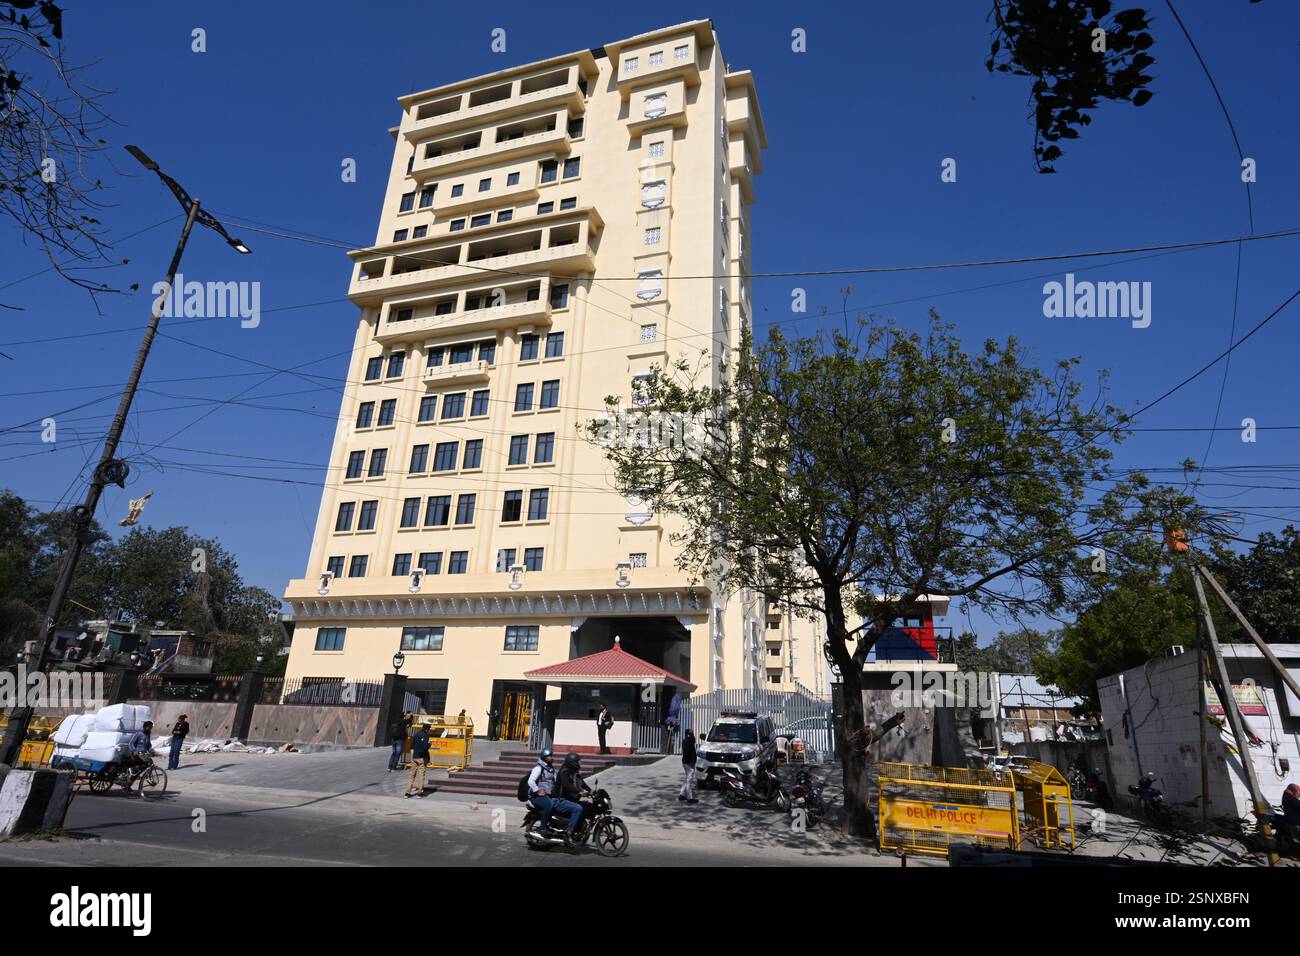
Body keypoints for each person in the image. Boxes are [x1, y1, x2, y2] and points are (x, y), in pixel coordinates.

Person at [527, 748, 578, 840]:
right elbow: (530, 781)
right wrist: (537, 791)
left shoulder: (550, 769)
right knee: (549, 804)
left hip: (547, 795)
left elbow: (556, 781)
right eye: (549, 756)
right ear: (544, 757)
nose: (552, 758)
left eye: (552, 756)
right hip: (536, 796)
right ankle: (543, 828)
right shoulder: (538, 768)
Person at [553, 752, 590, 847]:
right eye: (578, 762)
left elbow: (581, 781)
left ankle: (578, 830)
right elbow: (566, 785)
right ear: (572, 763)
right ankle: (568, 834)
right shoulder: (564, 771)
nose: (579, 764)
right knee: (578, 808)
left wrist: (590, 790)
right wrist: (579, 792)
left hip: (566, 798)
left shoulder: (573, 771)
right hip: (559, 799)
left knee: (585, 806)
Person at [404, 722, 431, 798]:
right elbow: (425, 747)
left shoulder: (416, 734)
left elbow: (412, 746)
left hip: (414, 757)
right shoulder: (426, 735)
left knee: (411, 775)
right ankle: (420, 793)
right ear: (427, 729)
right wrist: (430, 744)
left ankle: (407, 793)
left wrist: (412, 757)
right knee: (421, 775)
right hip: (422, 757)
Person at [679, 727, 698, 803]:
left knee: (687, 779)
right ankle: (690, 798)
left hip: (686, 762)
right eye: (691, 733)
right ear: (688, 734)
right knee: (689, 780)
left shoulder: (685, 741)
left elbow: (693, 740)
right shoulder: (689, 741)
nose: (692, 734)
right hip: (689, 763)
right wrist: (692, 763)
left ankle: (681, 795)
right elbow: (693, 740)